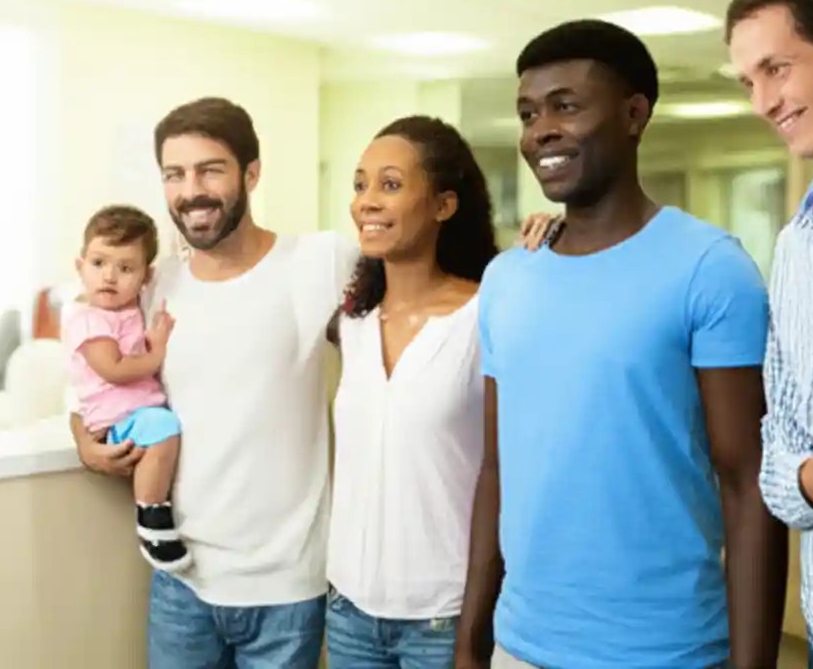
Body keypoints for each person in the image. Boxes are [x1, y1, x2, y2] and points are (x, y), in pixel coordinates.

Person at [454, 19, 787, 669]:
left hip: (667, 651)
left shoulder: (709, 268)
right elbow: (496, 467)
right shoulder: (507, 278)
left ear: (634, 114)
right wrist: (471, 641)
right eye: (528, 113)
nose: (540, 130)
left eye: (566, 106)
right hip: (519, 649)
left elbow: (747, 484)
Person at [68, 97, 357, 667]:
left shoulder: (319, 261)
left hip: (286, 588)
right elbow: (91, 374)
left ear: (251, 173)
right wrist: (83, 437)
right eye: (175, 174)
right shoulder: (154, 283)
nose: (190, 189)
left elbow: (431, 297)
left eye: (210, 169)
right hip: (180, 581)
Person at [725, 0, 813, 665]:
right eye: (749, 82)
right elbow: (779, 443)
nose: (762, 101)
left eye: (777, 68)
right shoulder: (799, 248)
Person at [325, 115, 498, 668]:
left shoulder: (486, 313)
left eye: (390, 185)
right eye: (360, 184)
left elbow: (506, 470)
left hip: (442, 618)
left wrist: (474, 629)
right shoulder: (351, 323)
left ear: (444, 205)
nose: (367, 201)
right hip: (349, 610)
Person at [63, 204, 189, 572]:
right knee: (164, 428)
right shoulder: (88, 320)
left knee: (161, 427)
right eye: (99, 263)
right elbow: (115, 369)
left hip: (133, 414)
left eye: (125, 268)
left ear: (146, 276)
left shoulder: (131, 310)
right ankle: (151, 515)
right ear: (80, 266)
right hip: (117, 419)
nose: (110, 277)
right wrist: (158, 352)